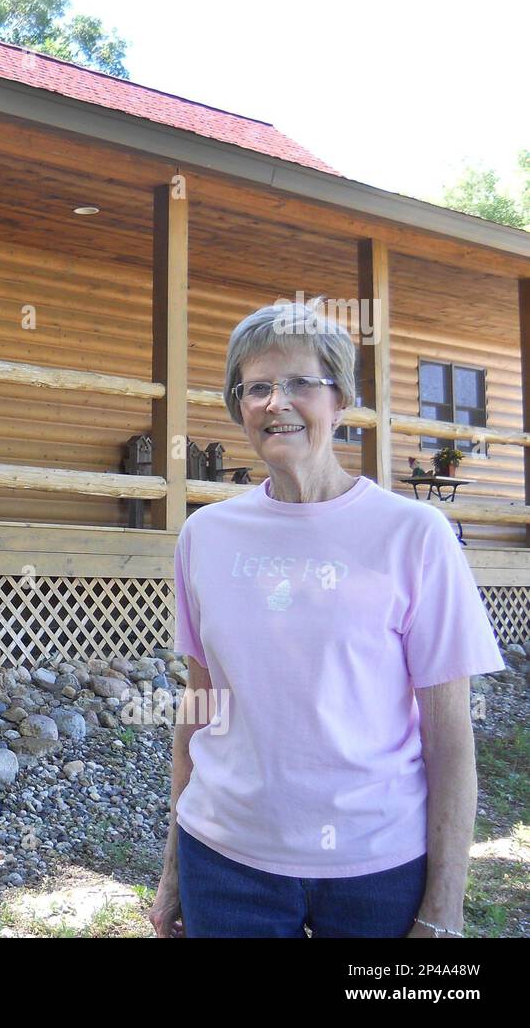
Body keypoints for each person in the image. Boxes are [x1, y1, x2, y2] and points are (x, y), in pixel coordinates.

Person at [148, 299, 503, 938]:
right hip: (226, 864)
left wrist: (444, 909)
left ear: (339, 401)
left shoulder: (413, 535)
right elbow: (199, 709)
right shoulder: (205, 535)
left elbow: (449, 741)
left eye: (300, 383)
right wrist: (174, 869)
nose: (275, 402)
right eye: (256, 387)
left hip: (378, 868)